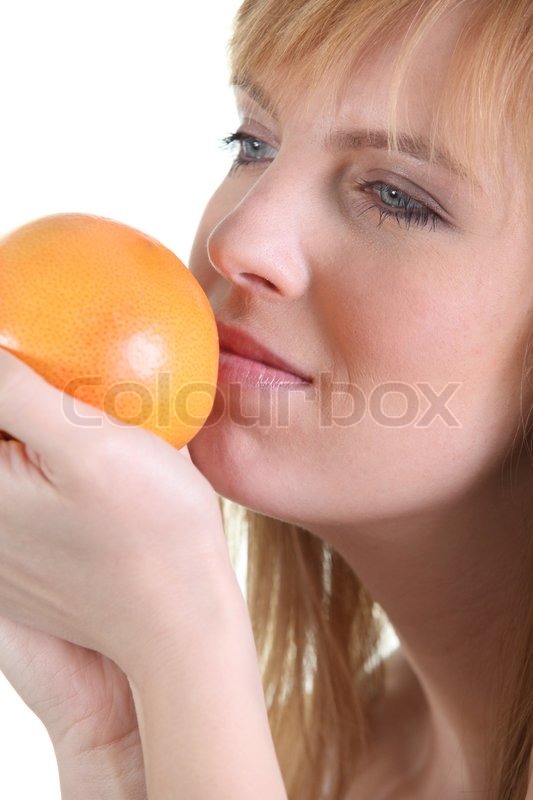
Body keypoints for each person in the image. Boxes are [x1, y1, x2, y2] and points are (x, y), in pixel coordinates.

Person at [0, 0, 531, 798]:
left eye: (395, 196)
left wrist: (181, 635)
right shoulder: (332, 757)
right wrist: (110, 737)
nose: (236, 240)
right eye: (253, 142)